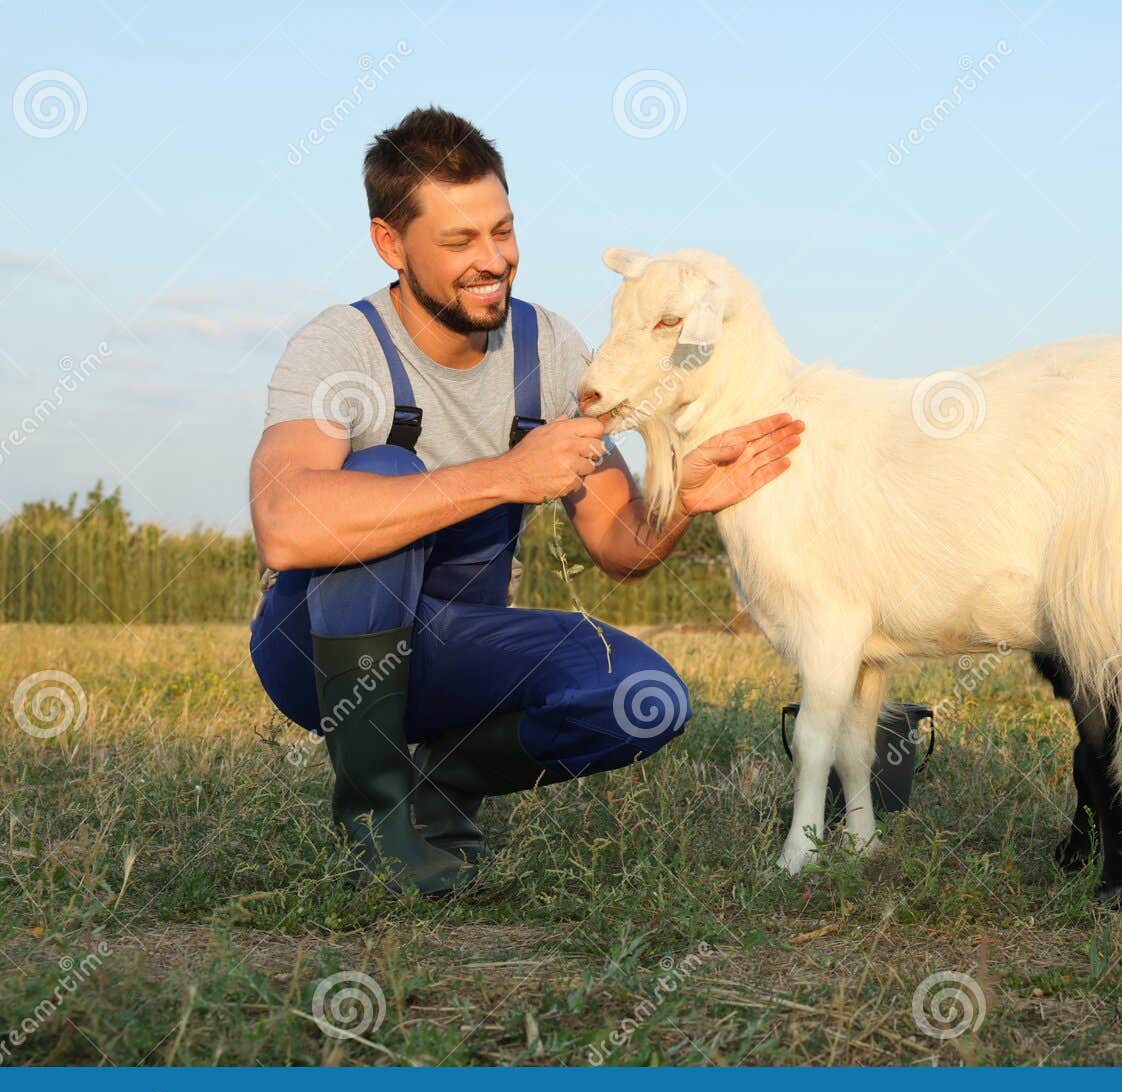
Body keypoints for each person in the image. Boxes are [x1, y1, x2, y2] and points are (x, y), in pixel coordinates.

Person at [247, 107, 803, 897]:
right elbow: (285, 523)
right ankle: (376, 821)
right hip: (318, 652)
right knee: (382, 470)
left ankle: (437, 784)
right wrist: (507, 474)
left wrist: (682, 500)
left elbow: (621, 546)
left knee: (648, 701)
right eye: (460, 242)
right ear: (389, 245)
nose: (494, 261)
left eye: (502, 231)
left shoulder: (545, 348)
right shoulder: (342, 348)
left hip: (458, 644)